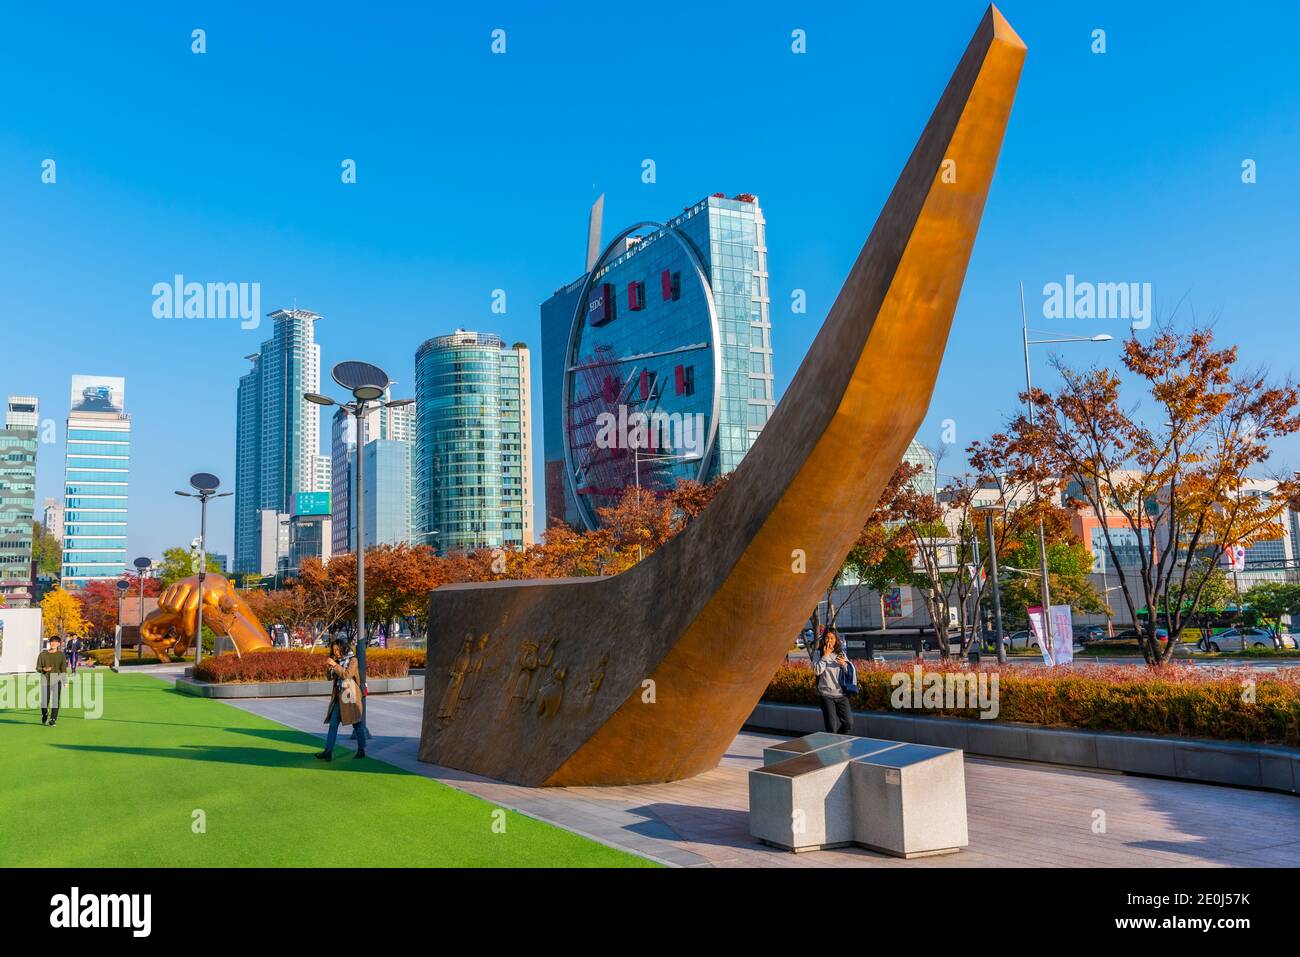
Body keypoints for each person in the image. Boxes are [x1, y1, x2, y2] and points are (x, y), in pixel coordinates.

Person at [316, 638, 364, 761]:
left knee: (356, 723)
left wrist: (335, 665)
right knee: (333, 724)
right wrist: (330, 666)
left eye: (337, 649)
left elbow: (347, 675)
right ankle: (328, 751)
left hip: (350, 696)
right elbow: (329, 678)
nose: (336, 652)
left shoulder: (353, 660)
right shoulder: (336, 661)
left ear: (343, 648)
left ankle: (361, 749)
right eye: (334, 650)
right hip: (338, 696)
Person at [808, 629, 854, 734]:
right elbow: (817, 671)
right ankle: (833, 746)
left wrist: (844, 664)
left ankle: (837, 741)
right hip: (826, 695)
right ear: (823, 639)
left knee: (848, 723)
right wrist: (825, 655)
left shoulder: (841, 653)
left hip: (841, 694)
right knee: (831, 728)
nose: (829, 640)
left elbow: (848, 672)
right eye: (827, 638)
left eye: (832, 638)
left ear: (836, 639)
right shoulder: (818, 653)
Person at [36, 637, 69, 726]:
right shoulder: (43, 654)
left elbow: (63, 669)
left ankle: (53, 719)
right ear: (49, 643)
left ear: (59, 644)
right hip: (45, 679)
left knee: (55, 701)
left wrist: (64, 681)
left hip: (56, 679)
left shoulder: (61, 655)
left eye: (56, 642)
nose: (53, 643)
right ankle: (45, 714)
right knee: (44, 701)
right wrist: (44, 669)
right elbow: (38, 668)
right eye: (52, 642)